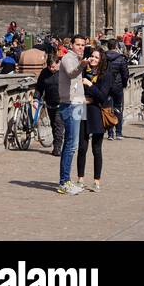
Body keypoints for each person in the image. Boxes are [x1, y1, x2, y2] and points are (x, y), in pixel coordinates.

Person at [77, 47, 116, 192]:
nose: (93, 59)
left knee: (96, 149)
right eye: (92, 56)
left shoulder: (105, 75)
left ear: (101, 61)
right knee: (82, 147)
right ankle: (80, 179)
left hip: (97, 113)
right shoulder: (83, 71)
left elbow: (102, 96)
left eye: (96, 57)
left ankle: (96, 181)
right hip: (82, 111)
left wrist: (90, 85)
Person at [56, 35, 87, 195]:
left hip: (78, 103)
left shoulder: (78, 58)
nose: (81, 47)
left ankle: (66, 180)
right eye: (78, 44)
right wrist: (82, 66)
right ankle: (64, 182)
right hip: (70, 104)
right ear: (72, 45)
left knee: (73, 143)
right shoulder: (69, 58)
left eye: (83, 45)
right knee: (70, 144)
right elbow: (71, 73)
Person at [35, 55, 64, 158]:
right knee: (53, 125)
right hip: (49, 103)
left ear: (58, 63)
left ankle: (57, 149)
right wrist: (36, 99)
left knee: (58, 125)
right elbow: (39, 87)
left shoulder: (64, 72)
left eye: (53, 67)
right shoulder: (44, 73)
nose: (51, 69)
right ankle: (58, 145)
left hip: (61, 103)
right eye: (49, 67)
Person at [104, 39, 129, 142]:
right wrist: (124, 84)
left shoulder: (103, 57)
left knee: (109, 109)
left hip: (106, 86)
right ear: (116, 47)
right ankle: (118, 132)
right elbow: (125, 73)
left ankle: (110, 133)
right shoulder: (121, 58)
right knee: (118, 108)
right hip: (117, 86)